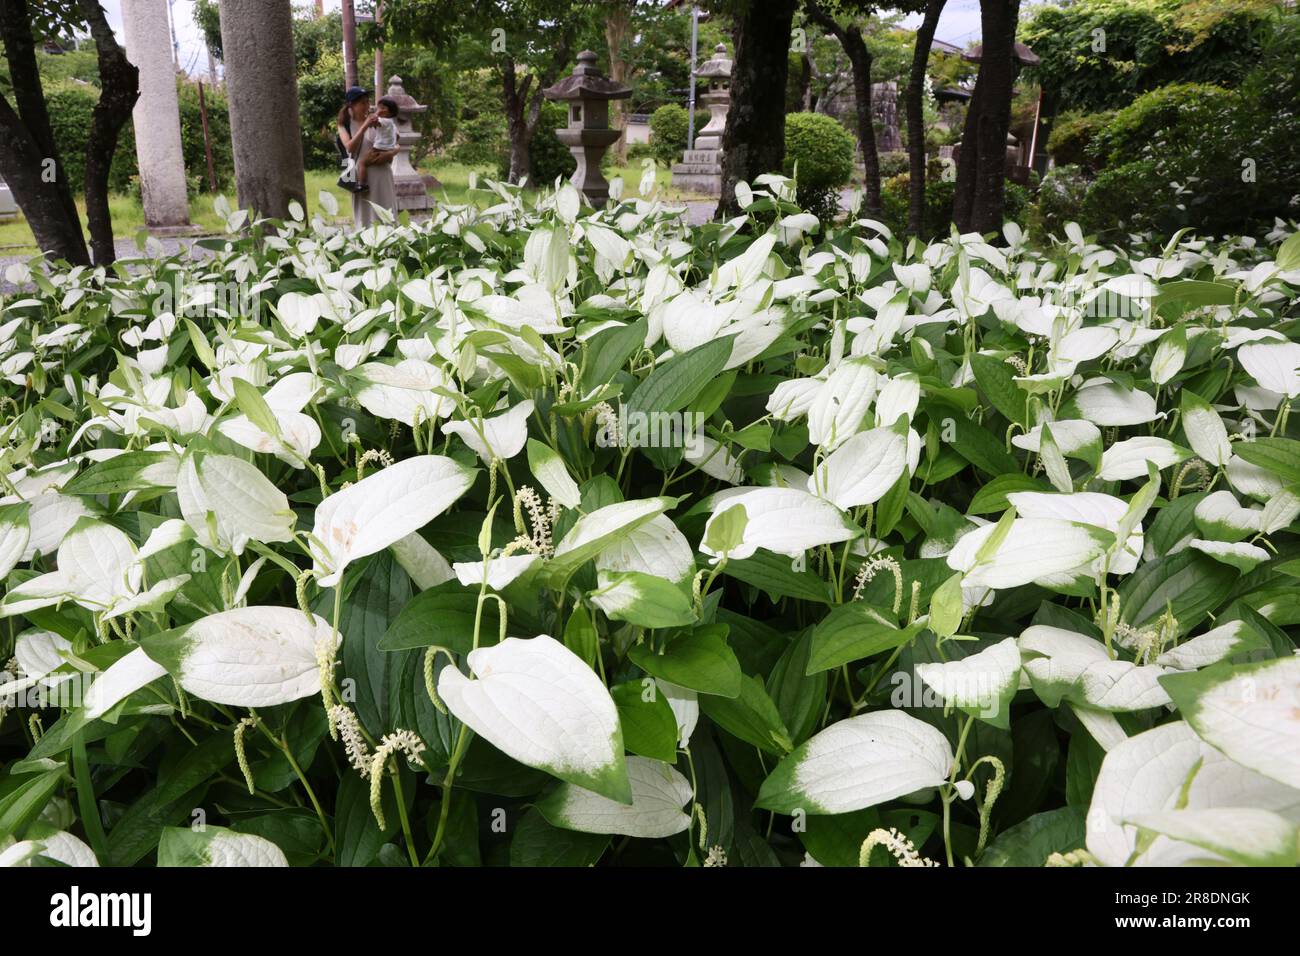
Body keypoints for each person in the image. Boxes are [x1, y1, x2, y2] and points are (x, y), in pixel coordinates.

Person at [336, 86, 398, 228]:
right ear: (351, 105)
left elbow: (395, 142)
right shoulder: (344, 124)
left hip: (382, 173)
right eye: (362, 103)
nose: (367, 106)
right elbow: (350, 147)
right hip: (362, 179)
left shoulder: (379, 120)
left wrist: (389, 154)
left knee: (387, 213)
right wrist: (365, 125)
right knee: (366, 217)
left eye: (367, 102)